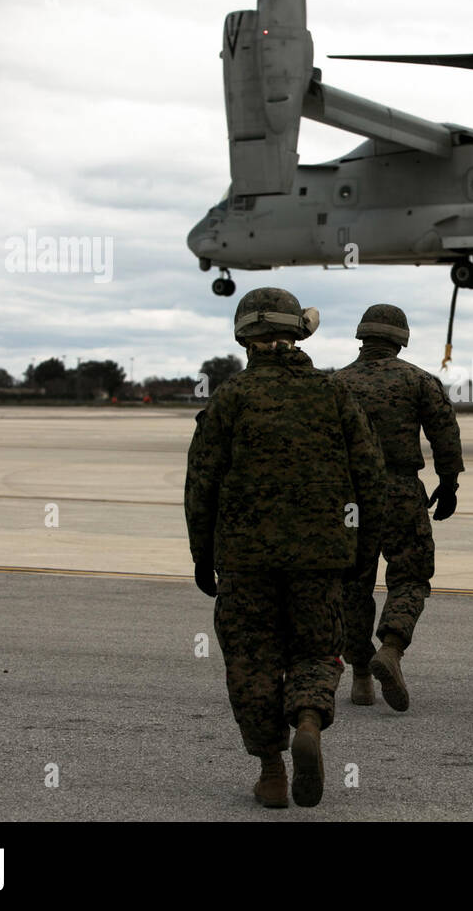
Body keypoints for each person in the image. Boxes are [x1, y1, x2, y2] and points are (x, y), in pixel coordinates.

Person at [185, 287, 386, 808]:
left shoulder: (229, 397)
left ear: (244, 336)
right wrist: (363, 551)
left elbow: (200, 486)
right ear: (299, 333)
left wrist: (202, 558)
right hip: (322, 558)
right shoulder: (336, 394)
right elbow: (371, 477)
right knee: (317, 649)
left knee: (251, 659)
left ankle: (272, 770)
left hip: (244, 559)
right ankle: (309, 720)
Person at [334, 304, 463, 711]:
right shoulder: (419, 381)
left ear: (362, 336)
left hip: (349, 497)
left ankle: (358, 676)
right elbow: (445, 434)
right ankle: (390, 648)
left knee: (351, 586)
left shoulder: (334, 384)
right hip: (401, 491)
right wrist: (448, 483)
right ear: (400, 338)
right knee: (410, 577)